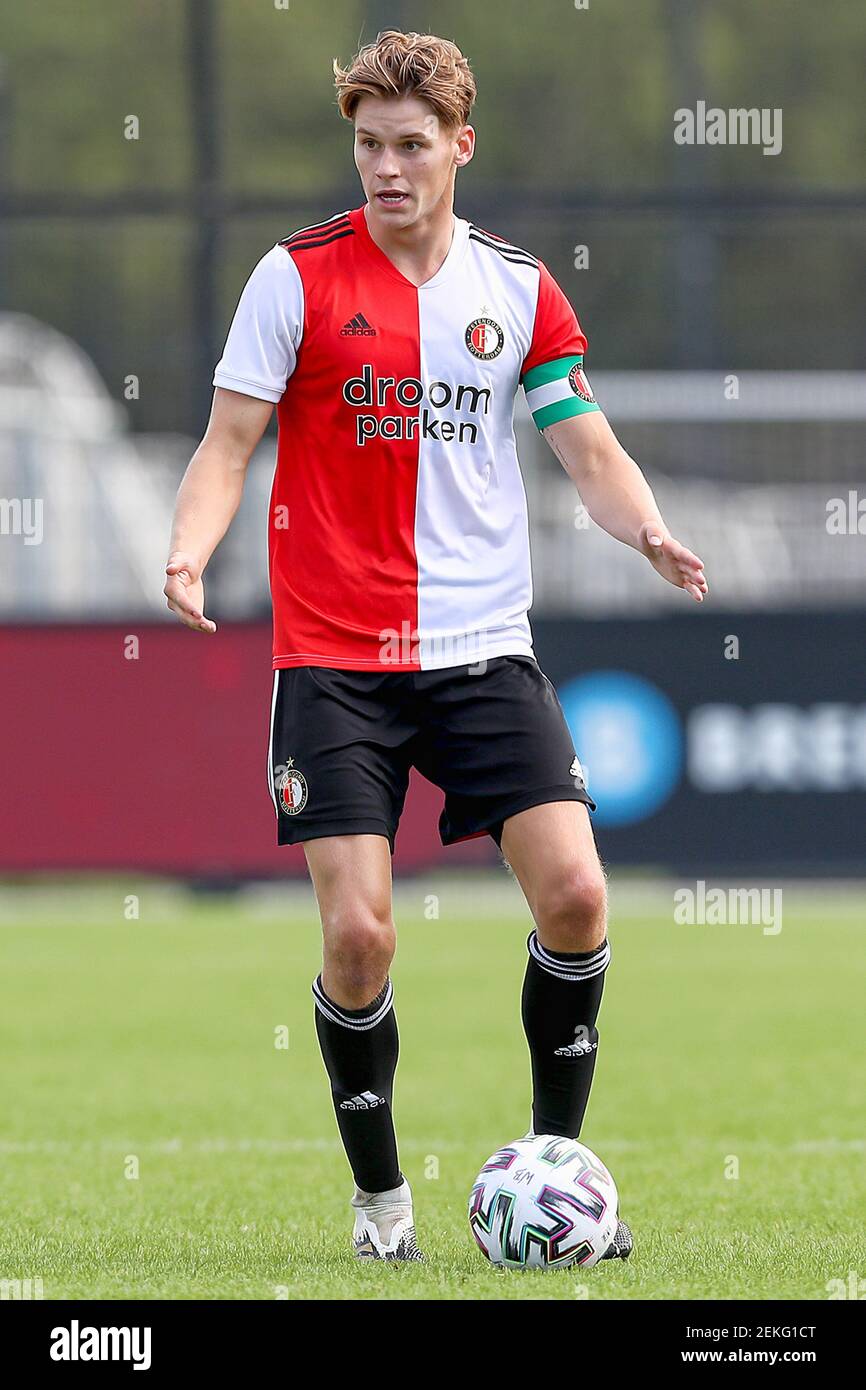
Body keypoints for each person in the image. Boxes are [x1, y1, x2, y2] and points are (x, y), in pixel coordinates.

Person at [164, 29, 708, 1262]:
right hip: (333, 659)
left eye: (411, 146)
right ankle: (381, 1210)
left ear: (460, 145)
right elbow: (226, 444)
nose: (386, 169)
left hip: (479, 645)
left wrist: (649, 531)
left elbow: (585, 445)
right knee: (359, 935)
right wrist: (190, 546)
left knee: (573, 895)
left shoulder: (515, 287)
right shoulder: (291, 278)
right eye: (368, 145)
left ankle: (556, 1172)